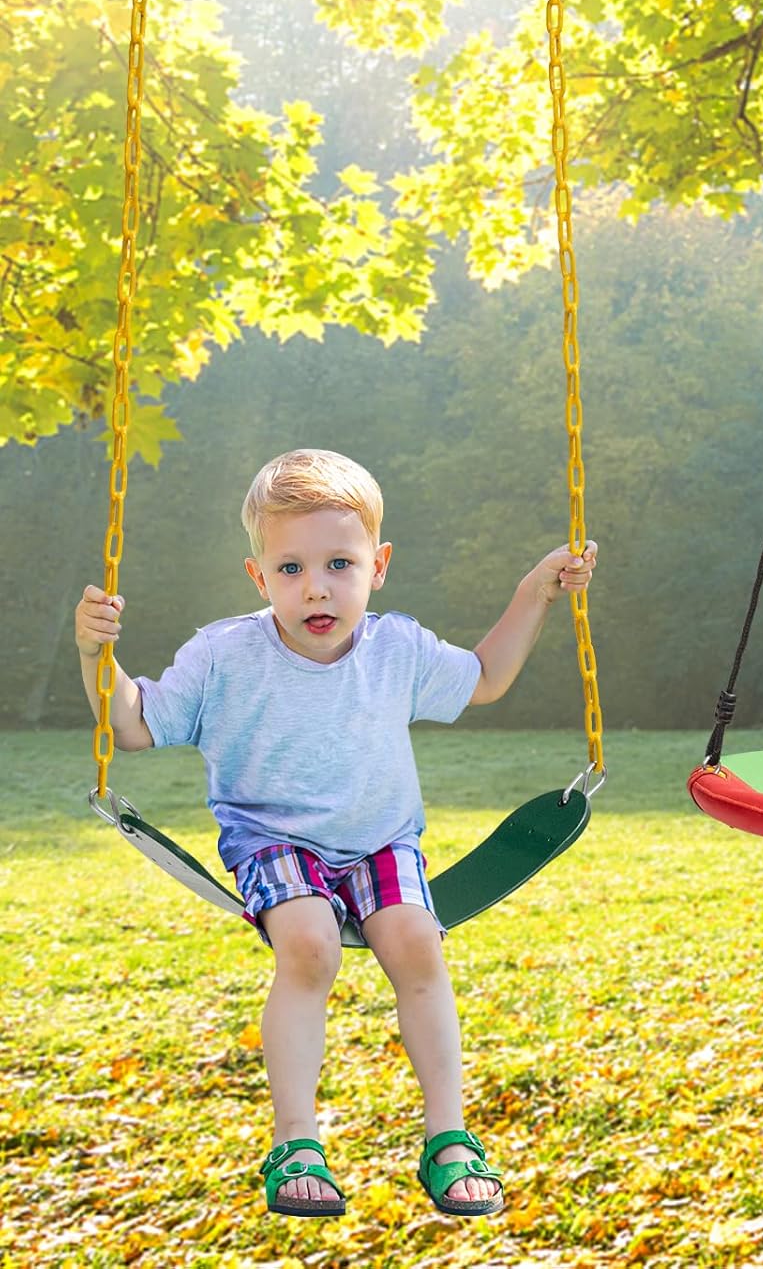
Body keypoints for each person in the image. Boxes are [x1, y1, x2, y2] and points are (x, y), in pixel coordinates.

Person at [75, 448, 598, 1218]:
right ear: (259, 579)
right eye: (289, 569)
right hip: (271, 840)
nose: (316, 585)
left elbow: (485, 678)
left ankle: (449, 1138)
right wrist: (97, 655)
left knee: (419, 946)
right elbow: (135, 724)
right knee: (311, 946)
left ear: (377, 566)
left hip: (382, 841)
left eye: (339, 563)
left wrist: (535, 593)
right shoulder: (224, 654)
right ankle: (296, 1142)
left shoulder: (399, 649)